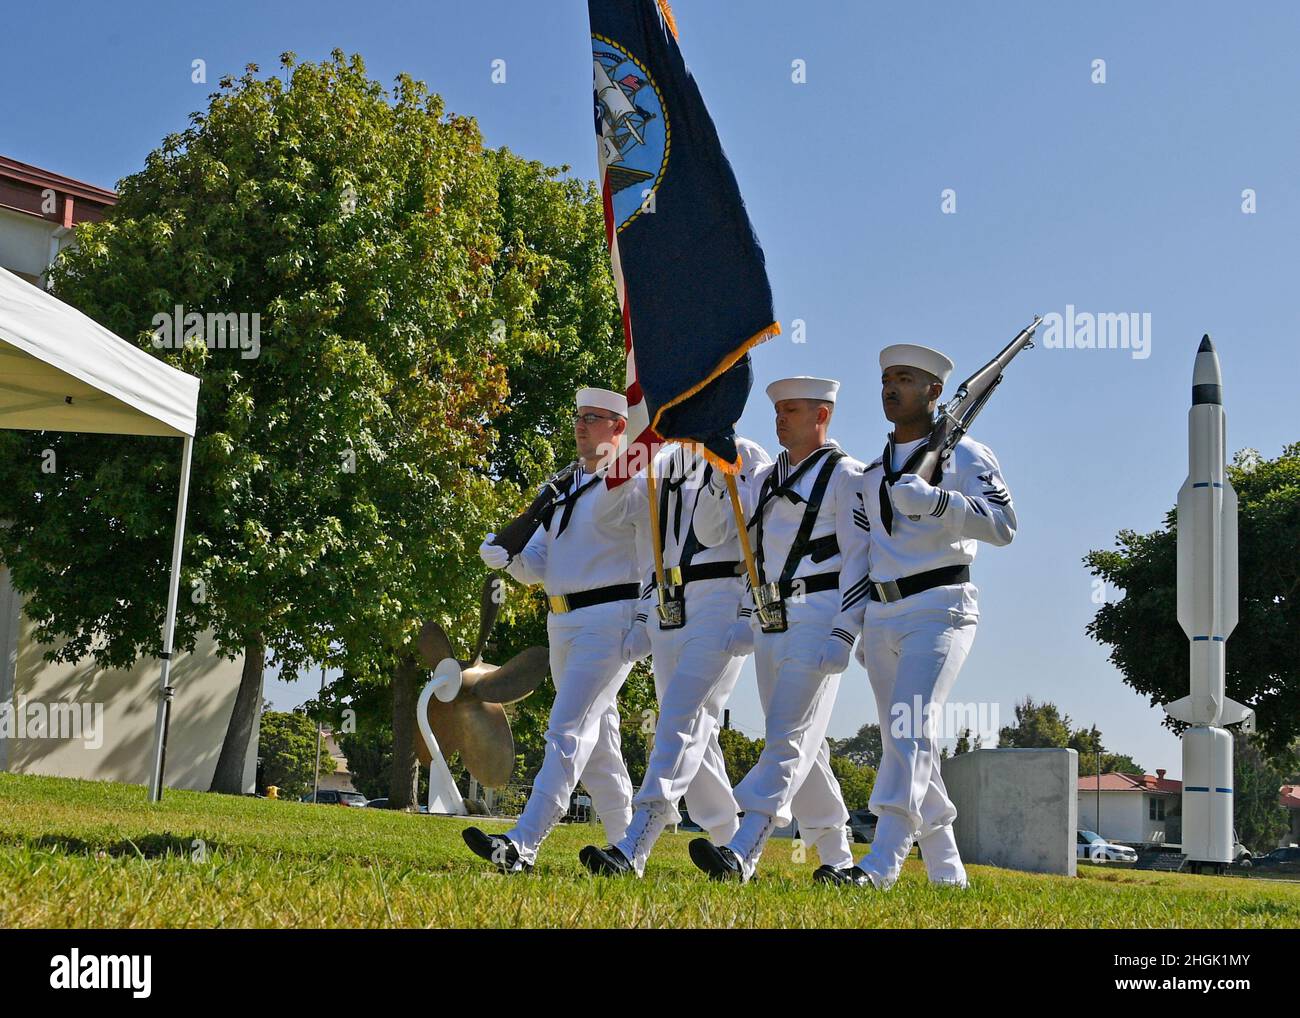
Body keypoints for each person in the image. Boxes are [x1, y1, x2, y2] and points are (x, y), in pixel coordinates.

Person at [821, 344, 1016, 890]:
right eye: (885, 377)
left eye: (904, 378)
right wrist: (851, 625)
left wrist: (939, 505)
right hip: (883, 615)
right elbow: (858, 557)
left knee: (909, 728)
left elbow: (1004, 525)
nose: (890, 387)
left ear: (935, 391)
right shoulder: (869, 472)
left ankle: (880, 865)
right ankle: (948, 873)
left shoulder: (967, 456)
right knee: (906, 741)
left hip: (941, 607)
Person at [687, 377, 870, 884]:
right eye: (778, 410)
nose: (780, 417)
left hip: (819, 613)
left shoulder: (847, 475)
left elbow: (860, 558)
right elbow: (751, 554)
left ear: (822, 416)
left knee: (787, 736)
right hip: (772, 619)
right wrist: (749, 614)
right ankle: (838, 859)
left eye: (792, 409)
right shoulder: (765, 478)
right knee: (797, 741)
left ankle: (744, 850)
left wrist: (845, 630)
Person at [463, 387, 643, 872]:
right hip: (562, 621)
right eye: (579, 417)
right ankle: (629, 851)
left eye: (594, 418)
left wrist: (646, 618)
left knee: (566, 730)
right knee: (599, 747)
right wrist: (509, 556)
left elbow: (654, 550)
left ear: (619, 428)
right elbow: (541, 562)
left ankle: (523, 842)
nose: (582, 426)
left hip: (609, 620)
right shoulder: (562, 486)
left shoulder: (630, 482)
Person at [579, 436, 772, 877]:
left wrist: (748, 608)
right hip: (670, 600)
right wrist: (648, 607)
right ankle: (729, 844)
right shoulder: (658, 461)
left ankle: (635, 845)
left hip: (721, 596)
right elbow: (623, 522)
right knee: (689, 726)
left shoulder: (744, 453)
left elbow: (754, 538)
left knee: (680, 718)